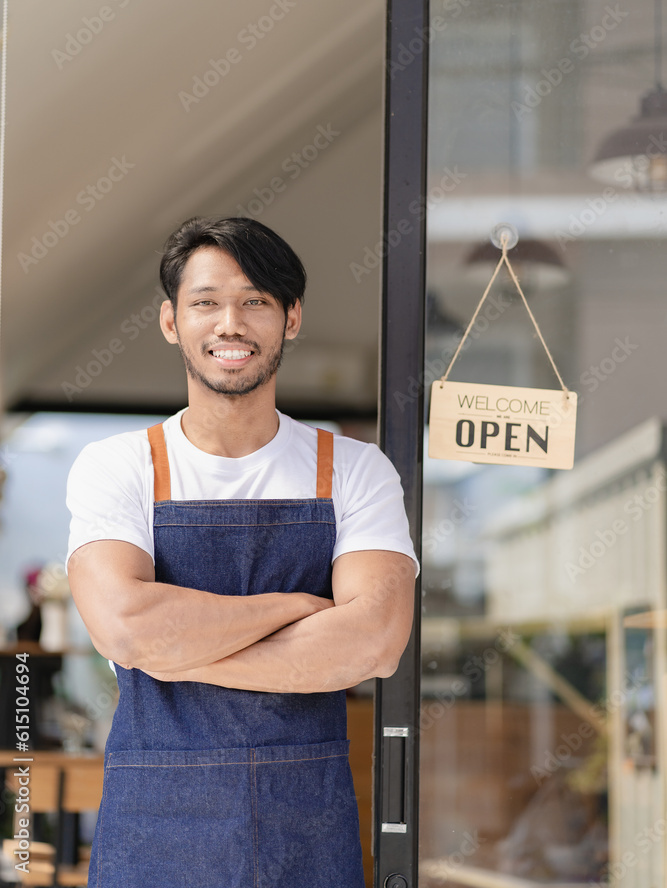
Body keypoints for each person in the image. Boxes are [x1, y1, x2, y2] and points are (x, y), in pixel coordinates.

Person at [66, 215, 418, 887]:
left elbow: (371, 643)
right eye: (206, 302)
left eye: (255, 300)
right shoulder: (120, 465)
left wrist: (179, 652)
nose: (231, 323)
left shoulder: (352, 468)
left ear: (290, 318)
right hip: (156, 823)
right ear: (172, 321)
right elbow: (128, 629)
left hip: (306, 825)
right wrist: (292, 609)